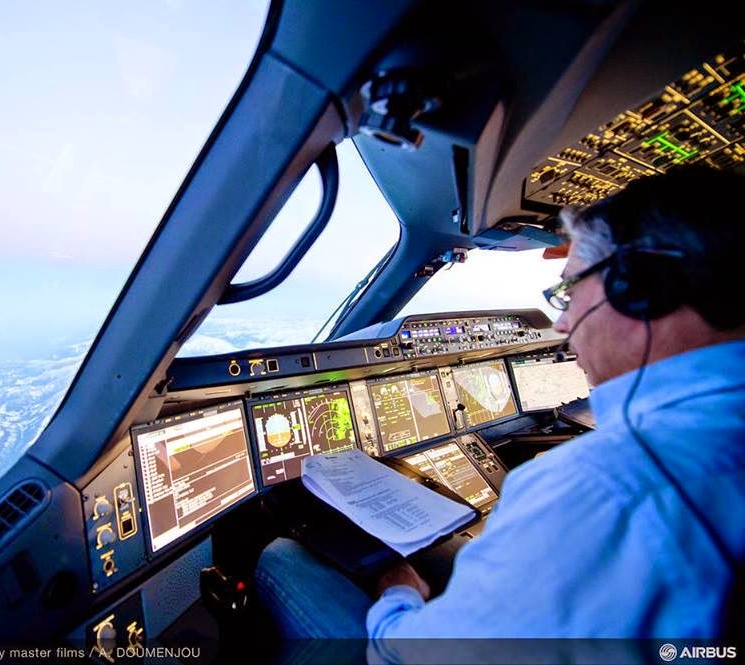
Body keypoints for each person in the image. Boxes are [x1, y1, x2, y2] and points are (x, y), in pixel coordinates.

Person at [254, 166, 745, 648]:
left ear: (640, 288)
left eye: (570, 292)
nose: (562, 325)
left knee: (282, 559)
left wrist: (399, 594)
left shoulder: (601, 486)